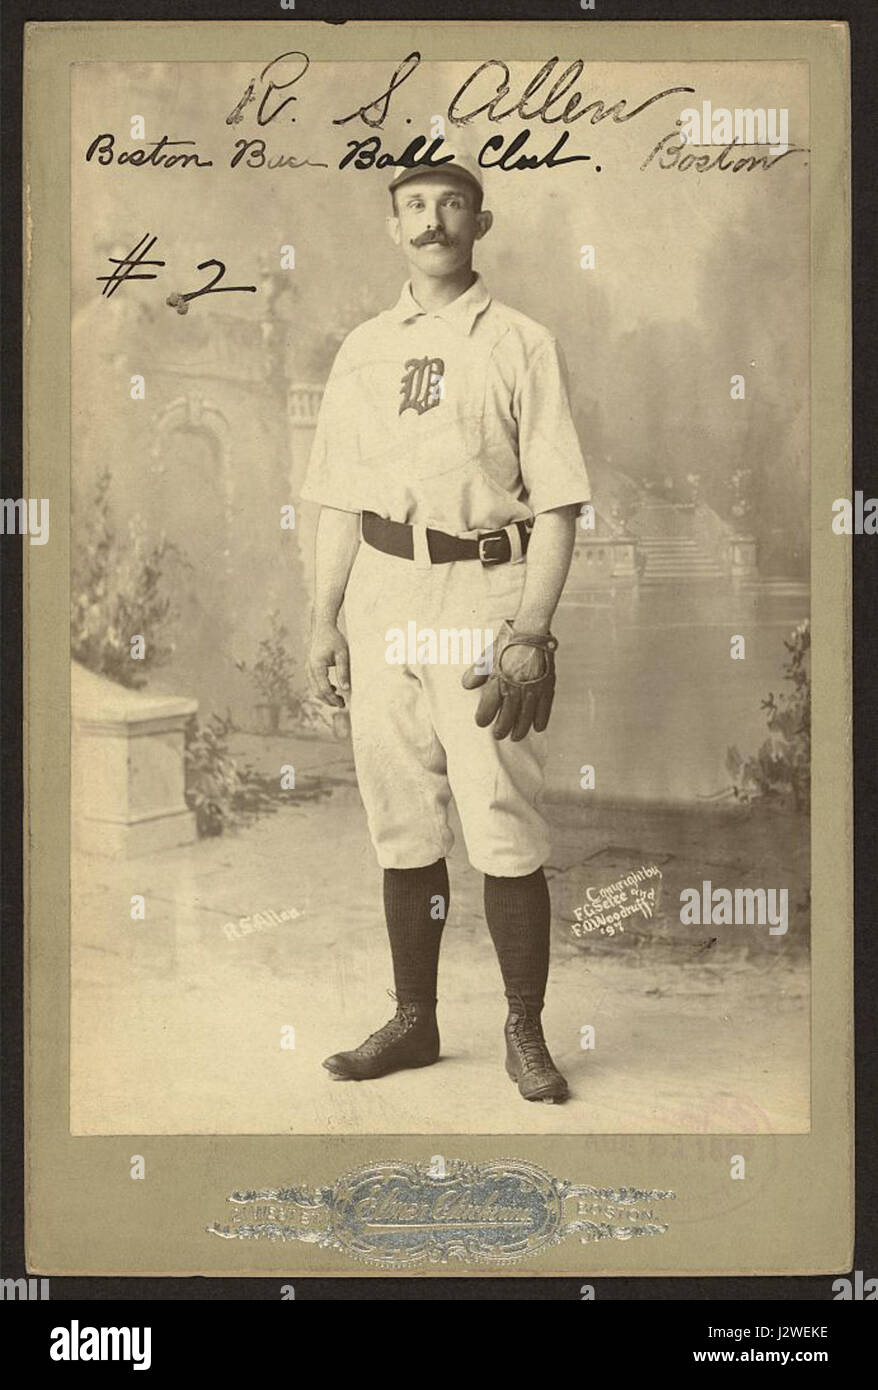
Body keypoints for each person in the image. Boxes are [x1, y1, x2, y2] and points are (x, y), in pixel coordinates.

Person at [300, 152, 590, 1103]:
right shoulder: (362, 348)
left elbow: (557, 506)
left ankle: (524, 1030)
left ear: (481, 223)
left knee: (500, 820)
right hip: (381, 592)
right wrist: (322, 620)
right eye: (414, 207)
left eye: (451, 205)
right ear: (394, 227)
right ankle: (415, 1021)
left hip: (480, 594)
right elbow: (335, 498)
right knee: (400, 821)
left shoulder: (520, 342)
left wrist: (530, 631)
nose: (432, 221)